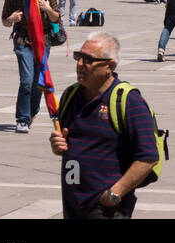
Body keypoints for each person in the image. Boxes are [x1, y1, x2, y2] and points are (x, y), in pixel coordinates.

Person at [50, 32, 160, 219]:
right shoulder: (71, 95)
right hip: (73, 205)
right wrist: (57, 144)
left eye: (88, 60)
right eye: (79, 57)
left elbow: (148, 158)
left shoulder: (129, 101)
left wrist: (113, 195)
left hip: (104, 209)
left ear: (110, 66)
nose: (80, 64)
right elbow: (69, 146)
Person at [1, 0, 61, 133]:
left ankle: (32, 111)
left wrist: (47, 8)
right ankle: (22, 118)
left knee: (37, 82)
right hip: (22, 41)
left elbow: (56, 18)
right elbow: (4, 21)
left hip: (42, 41)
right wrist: (11, 19)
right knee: (27, 79)